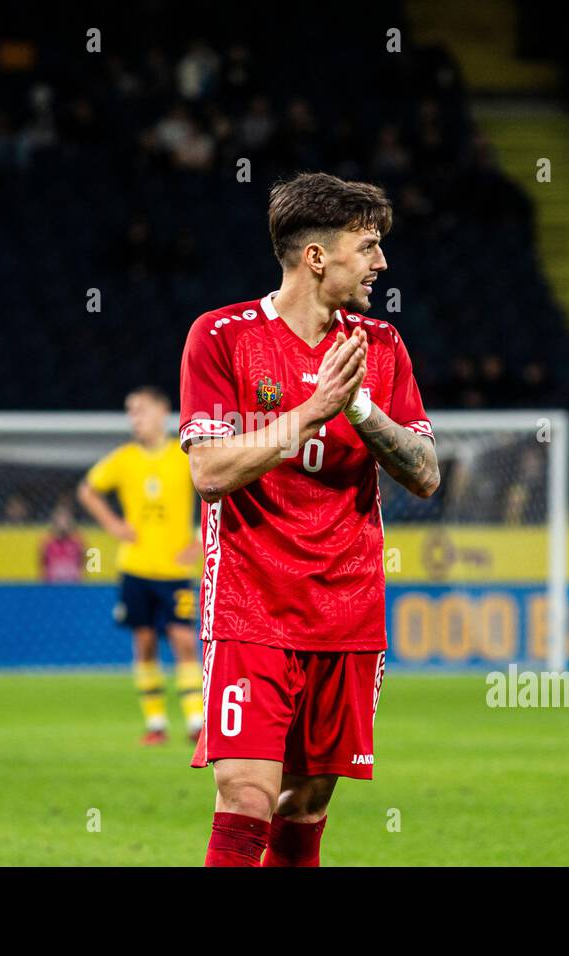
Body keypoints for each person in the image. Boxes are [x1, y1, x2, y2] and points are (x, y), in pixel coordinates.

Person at [179, 172, 439, 867]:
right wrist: (312, 410)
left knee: (305, 806)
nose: (382, 263)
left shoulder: (380, 348)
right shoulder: (223, 337)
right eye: (369, 246)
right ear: (316, 257)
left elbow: (425, 472)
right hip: (249, 604)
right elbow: (207, 473)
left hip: (347, 609)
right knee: (245, 795)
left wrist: (361, 410)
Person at [78, 386, 203, 745]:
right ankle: (156, 725)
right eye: (130, 411)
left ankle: (196, 724)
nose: (135, 417)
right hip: (134, 567)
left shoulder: (186, 456)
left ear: (164, 412)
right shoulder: (124, 459)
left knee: (182, 641)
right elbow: (87, 490)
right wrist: (113, 525)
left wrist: (199, 542)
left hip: (175, 571)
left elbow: (217, 490)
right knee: (144, 642)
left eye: (141, 410)